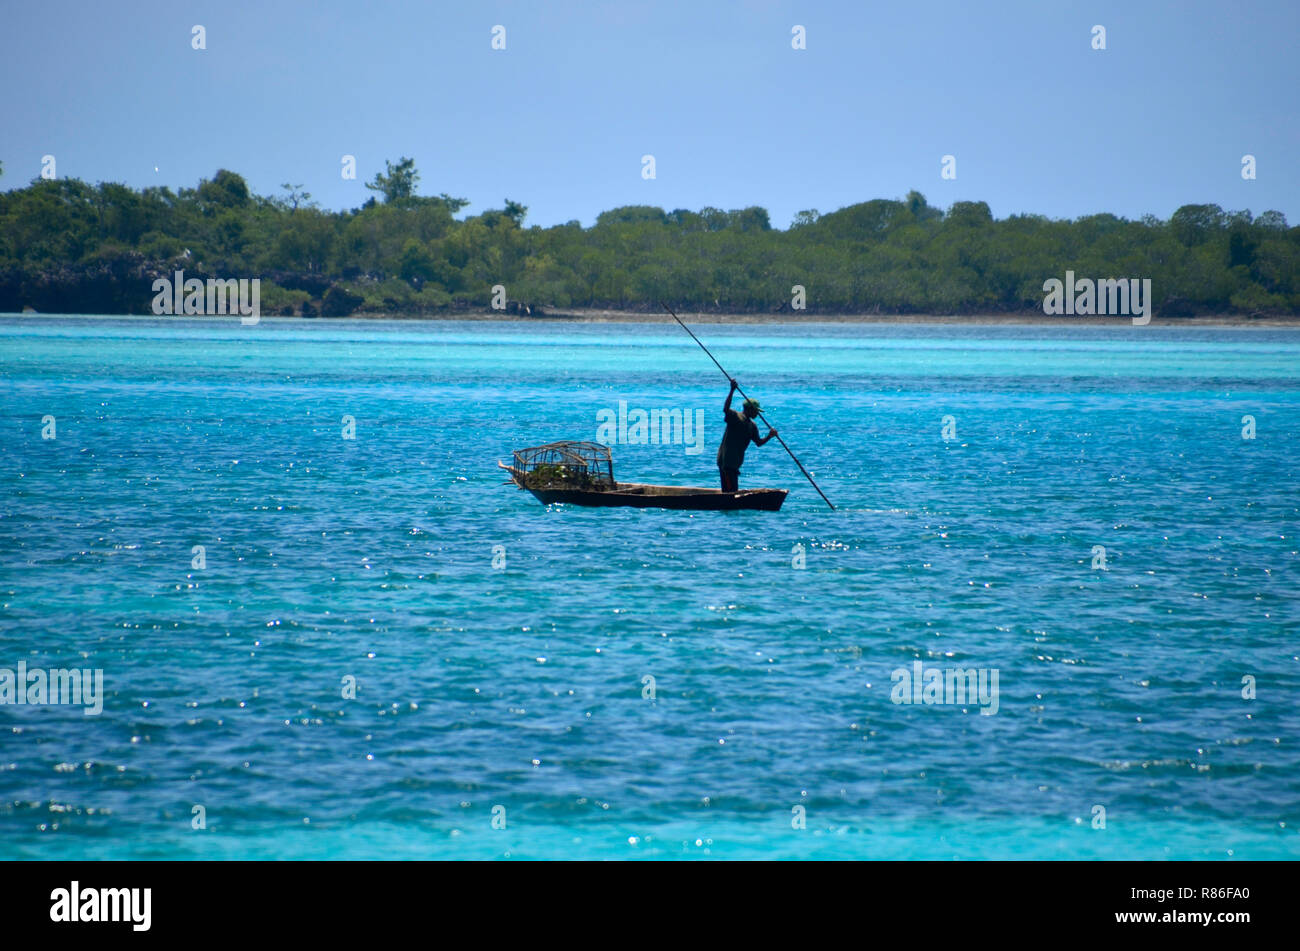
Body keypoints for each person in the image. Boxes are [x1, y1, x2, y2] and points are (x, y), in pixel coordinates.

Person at [717, 378, 777, 491]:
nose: (757, 414)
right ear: (749, 409)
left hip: (735, 464)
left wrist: (770, 436)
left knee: (732, 490)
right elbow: (726, 409)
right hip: (726, 462)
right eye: (756, 411)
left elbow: (758, 443)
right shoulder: (735, 416)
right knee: (729, 493)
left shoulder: (752, 426)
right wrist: (732, 390)